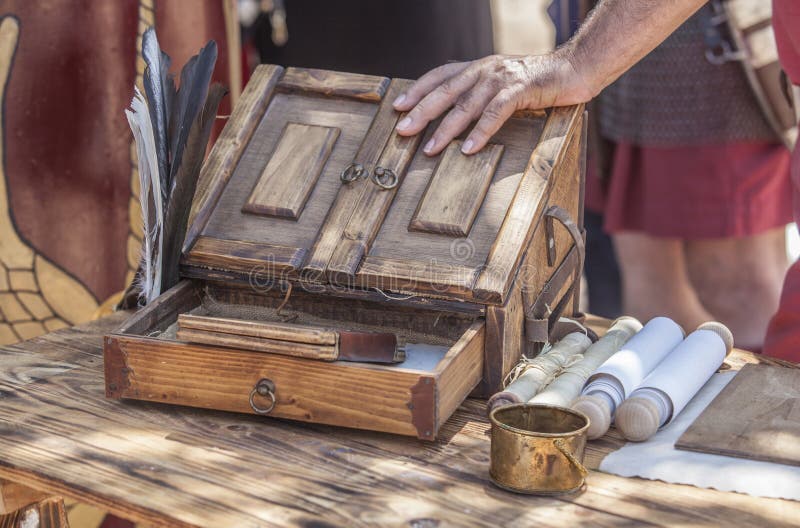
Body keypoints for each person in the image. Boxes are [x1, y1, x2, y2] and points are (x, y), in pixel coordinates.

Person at [392, 0, 800, 363]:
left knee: (736, 288)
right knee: (648, 285)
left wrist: (579, 61)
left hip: (704, 46)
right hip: (614, 37)